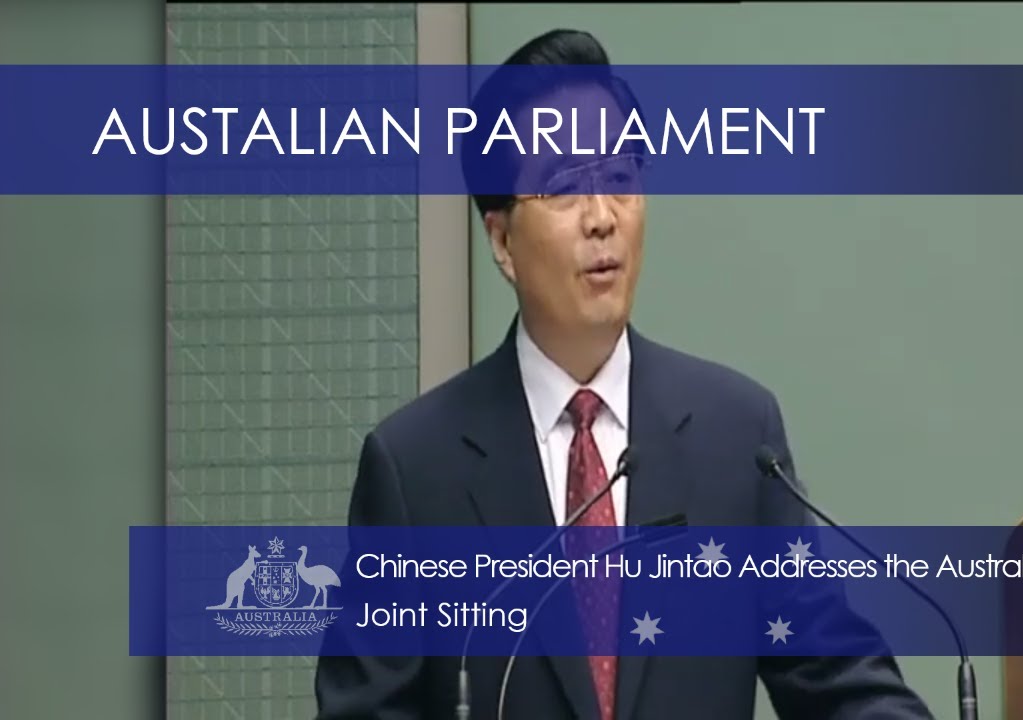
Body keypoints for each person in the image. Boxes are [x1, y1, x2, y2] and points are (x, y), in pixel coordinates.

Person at [314, 28, 933, 720]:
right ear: (501, 239)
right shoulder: (415, 468)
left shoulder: (736, 438)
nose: (602, 218)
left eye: (619, 179)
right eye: (564, 186)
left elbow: (837, 677)